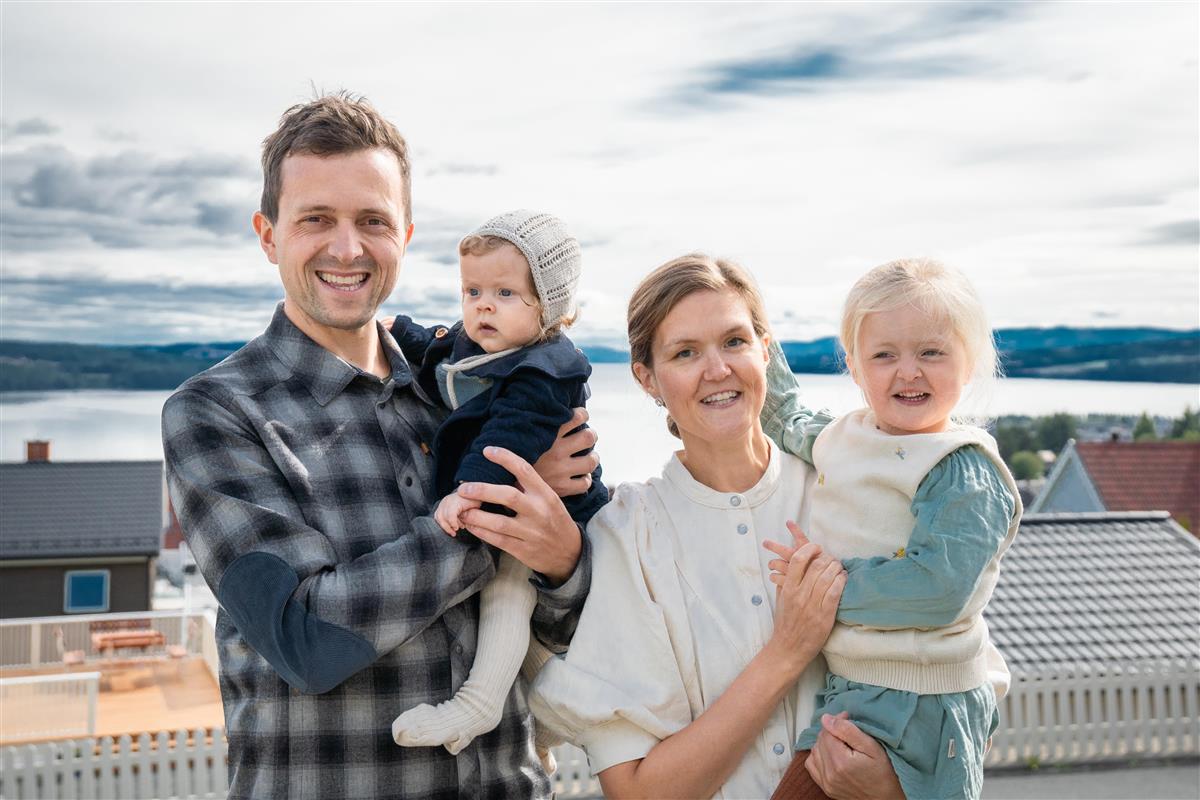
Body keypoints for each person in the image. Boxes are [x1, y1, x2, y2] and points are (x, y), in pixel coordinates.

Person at [161, 93, 595, 800]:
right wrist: (498, 516)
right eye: (315, 220)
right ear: (268, 235)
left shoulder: (466, 394)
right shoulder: (216, 413)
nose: (346, 248)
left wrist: (563, 558)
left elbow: (573, 620)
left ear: (406, 234)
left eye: (372, 221)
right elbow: (305, 642)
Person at [529, 253, 907, 799]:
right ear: (647, 379)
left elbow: (959, 687)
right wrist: (788, 652)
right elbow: (638, 792)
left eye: (734, 342)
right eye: (685, 352)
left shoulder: (850, 490)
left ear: (766, 349)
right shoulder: (627, 536)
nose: (717, 370)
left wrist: (893, 784)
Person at [761, 258, 1021, 800]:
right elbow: (786, 418)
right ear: (854, 367)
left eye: (931, 351)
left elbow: (938, 589)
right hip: (856, 695)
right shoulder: (847, 436)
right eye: (884, 355)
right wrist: (758, 335)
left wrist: (826, 589)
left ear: (968, 362)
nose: (908, 371)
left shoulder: (959, 466)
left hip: (926, 705)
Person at [387, 209, 607, 762]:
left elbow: (509, 438)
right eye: (472, 290)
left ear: (548, 306)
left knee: (506, 585)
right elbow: (436, 346)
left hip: (549, 505)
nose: (482, 305)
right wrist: (394, 330)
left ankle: (479, 702)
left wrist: (467, 492)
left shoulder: (544, 371)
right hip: (510, 494)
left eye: (506, 293)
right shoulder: (479, 341)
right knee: (516, 620)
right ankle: (552, 715)